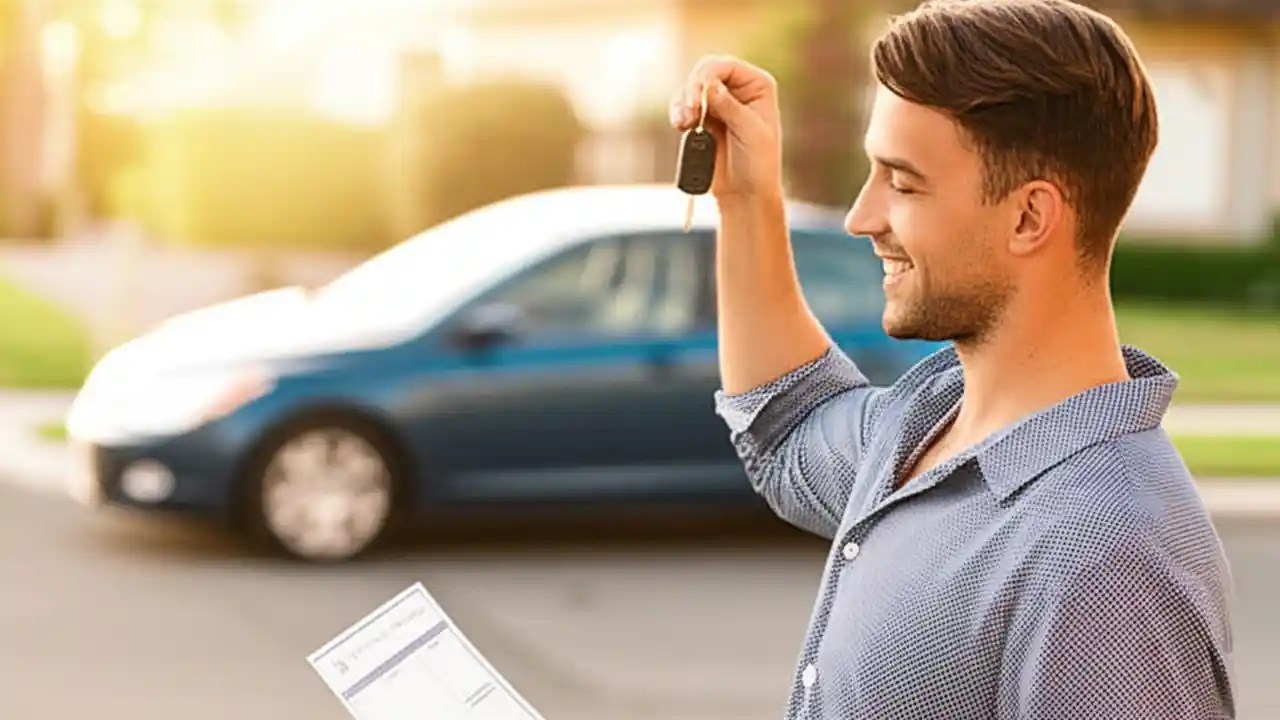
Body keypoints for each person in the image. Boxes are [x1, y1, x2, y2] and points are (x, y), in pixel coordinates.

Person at [668, 0, 1235, 717]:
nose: (860, 217)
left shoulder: (1108, 555)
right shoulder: (927, 421)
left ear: (1030, 217)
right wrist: (748, 198)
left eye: (902, 183)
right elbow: (787, 428)